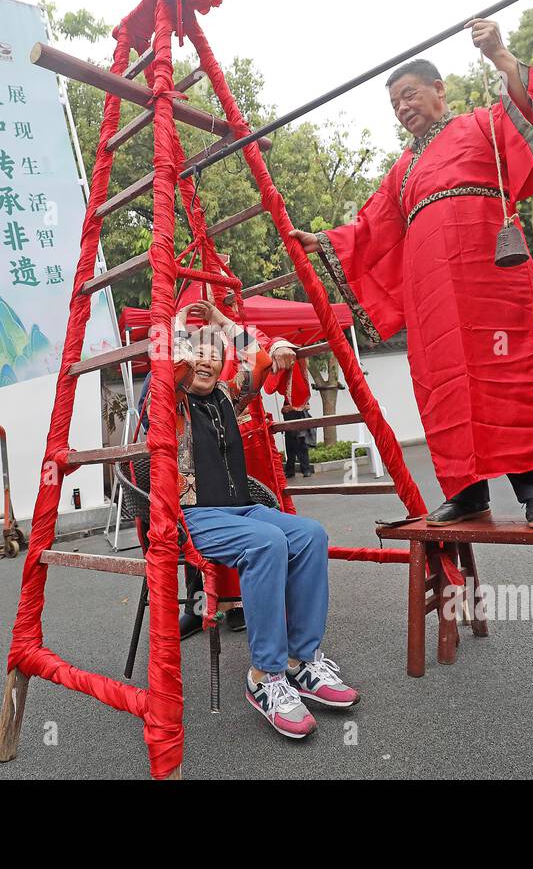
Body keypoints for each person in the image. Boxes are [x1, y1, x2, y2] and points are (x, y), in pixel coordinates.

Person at [291, 18, 533, 528]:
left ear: (439, 90)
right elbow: (371, 227)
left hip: (492, 278)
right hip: (433, 299)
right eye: (395, 104)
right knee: (443, 383)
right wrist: (325, 242)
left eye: (410, 95)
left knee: (510, 373)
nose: (403, 108)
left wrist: (502, 57)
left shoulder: (483, 125)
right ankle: (467, 492)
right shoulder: (402, 171)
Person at [172, 300, 359, 739]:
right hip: (197, 514)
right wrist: (180, 324)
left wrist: (221, 323)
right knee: (266, 542)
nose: (204, 359)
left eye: (213, 354)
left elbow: (256, 358)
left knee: (311, 534)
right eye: (197, 353)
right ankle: (266, 676)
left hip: (244, 507)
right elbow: (174, 362)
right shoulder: (172, 399)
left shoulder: (227, 395)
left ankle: (303, 660)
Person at [280, 401, 313, 478]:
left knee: (302, 449)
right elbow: (284, 410)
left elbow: (307, 407)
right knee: (290, 450)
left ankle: (306, 470)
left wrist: (292, 408)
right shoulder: (286, 399)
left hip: (300, 427)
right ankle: (290, 471)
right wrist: (295, 407)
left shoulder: (301, 396)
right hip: (289, 427)